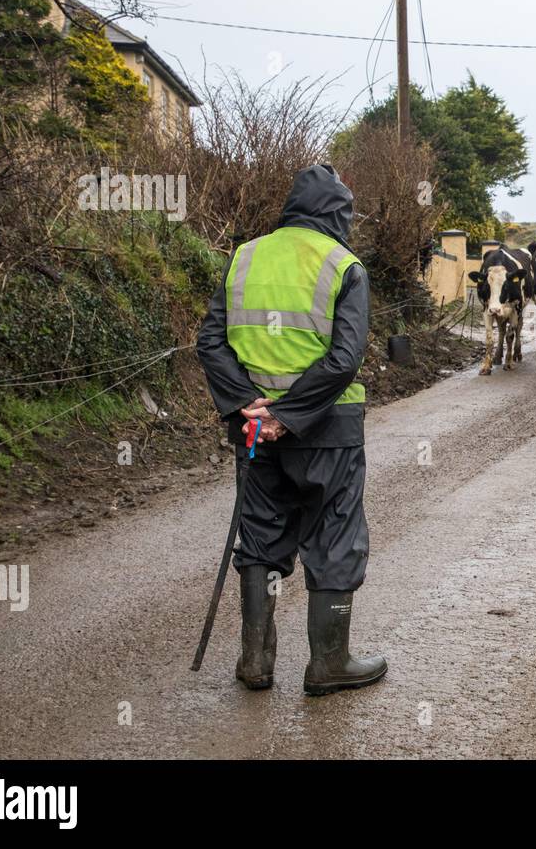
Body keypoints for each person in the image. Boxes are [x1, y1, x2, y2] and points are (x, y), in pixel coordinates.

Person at [196, 164, 386, 696]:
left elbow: (209, 343)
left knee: (259, 534)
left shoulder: (244, 257)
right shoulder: (344, 266)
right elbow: (346, 358)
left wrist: (246, 407)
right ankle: (329, 664)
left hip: (254, 432)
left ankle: (255, 661)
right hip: (328, 430)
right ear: (337, 213)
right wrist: (290, 413)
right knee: (335, 536)